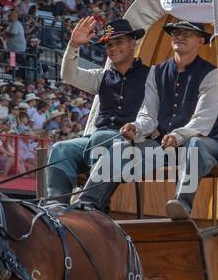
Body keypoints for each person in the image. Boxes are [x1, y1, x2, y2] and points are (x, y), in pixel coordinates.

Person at [120, 20, 218, 220]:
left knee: (195, 144)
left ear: (200, 41)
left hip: (205, 143)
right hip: (166, 146)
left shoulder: (211, 74)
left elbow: (204, 120)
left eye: (188, 33)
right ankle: (91, 202)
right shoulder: (156, 72)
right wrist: (136, 127)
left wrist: (178, 135)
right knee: (119, 150)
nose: (180, 36)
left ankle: (182, 204)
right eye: (176, 32)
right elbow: (148, 115)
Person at [46, 15, 149, 211]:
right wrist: (74, 44)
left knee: (102, 137)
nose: (113, 48)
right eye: (109, 45)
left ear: (133, 42)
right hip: (99, 139)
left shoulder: (151, 75)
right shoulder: (101, 77)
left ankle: (94, 206)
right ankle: (56, 206)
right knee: (61, 148)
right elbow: (68, 75)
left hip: (133, 141)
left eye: (118, 42)